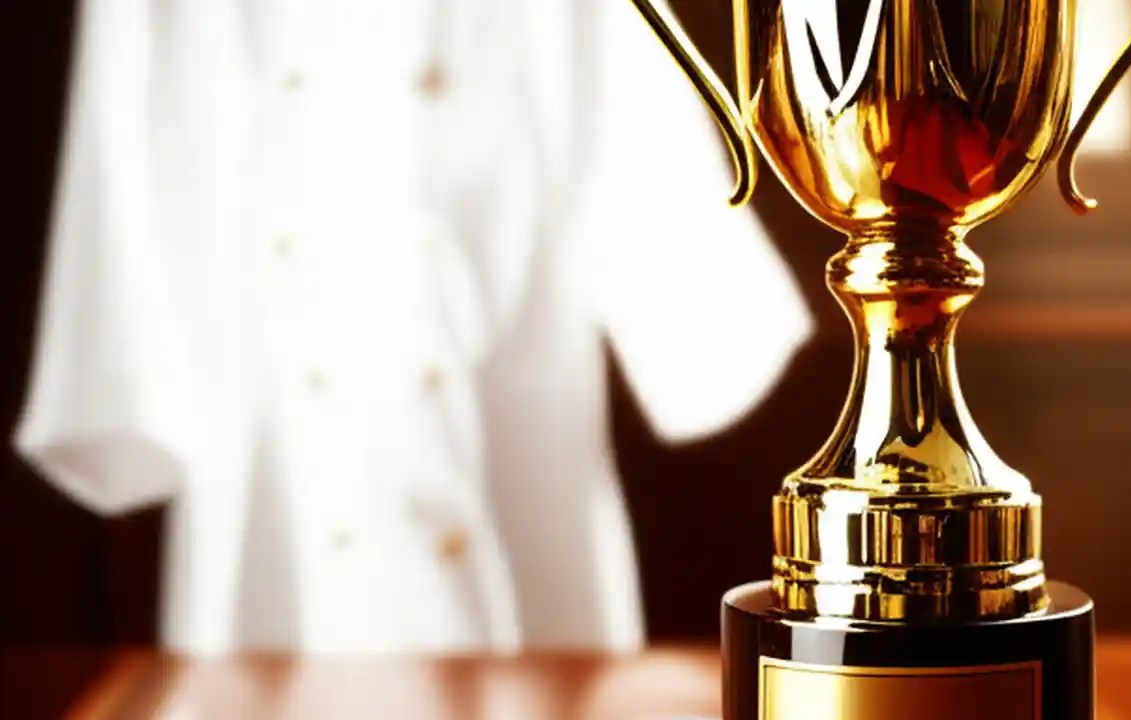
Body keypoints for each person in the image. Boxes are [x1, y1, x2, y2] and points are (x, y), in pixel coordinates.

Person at [16, 0, 810, 654]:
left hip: (508, 479)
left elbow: (669, 234)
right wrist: (125, 386)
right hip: (276, 490)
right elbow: (118, 160)